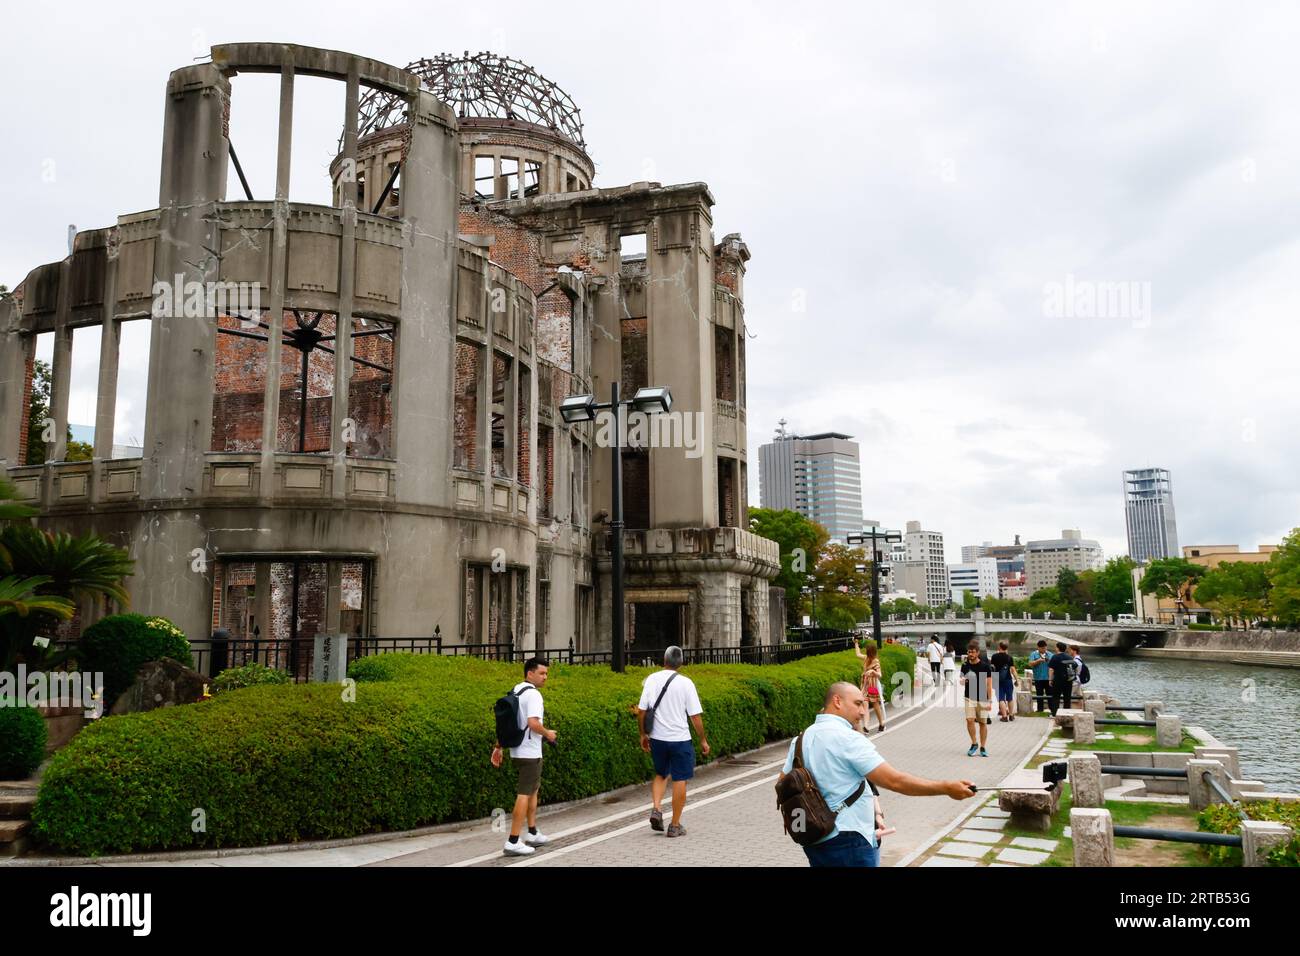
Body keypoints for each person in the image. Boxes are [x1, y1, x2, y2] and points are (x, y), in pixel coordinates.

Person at [779, 681, 976, 867]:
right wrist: (947, 788)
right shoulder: (848, 738)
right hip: (850, 839)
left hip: (815, 838)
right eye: (857, 704)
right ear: (837, 701)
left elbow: (783, 784)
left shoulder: (801, 739)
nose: (863, 711)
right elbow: (895, 781)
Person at [638, 646, 711, 838]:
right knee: (680, 779)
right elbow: (695, 716)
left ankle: (656, 808)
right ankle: (675, 825)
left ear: (664, 660)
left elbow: (641, 711)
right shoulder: (686, 683)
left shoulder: (652, 679)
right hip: (680, 740)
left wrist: (643, 735)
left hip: (658, 738)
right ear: (681, 663)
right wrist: (703, 740)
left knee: (661, 774)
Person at [491, 657, 557, 856]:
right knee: (524, 794)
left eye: (546, 674)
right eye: (542, 673)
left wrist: (498, 746)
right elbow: (533, 723)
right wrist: (548, 734)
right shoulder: (534, 695)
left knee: (533, 791)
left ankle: (533, 832)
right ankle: (512, 841)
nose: (545, 677)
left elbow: (509, 722)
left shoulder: (516, 690)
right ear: (530, 673)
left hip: (517, 750)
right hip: (529, 752)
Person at [960, 640, 993, 756]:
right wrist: (963, 681)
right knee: (969, 720)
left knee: (982, 723)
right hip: (969, 696)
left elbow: (989, 684)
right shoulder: (965, 665)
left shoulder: (985, 666)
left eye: (973, 652)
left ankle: (983, 747)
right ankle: (974, 743)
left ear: (978, 653)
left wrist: (990, 700)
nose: (971, 654)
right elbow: (961, 680)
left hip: (982, 697)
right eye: (969, 652)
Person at [854, 640, 887, 733]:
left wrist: (873, 672)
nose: (866, 653)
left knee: (876, 705)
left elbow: (880, 675)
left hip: (873, 685)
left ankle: (881, 724)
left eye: (868, 651)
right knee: (865, 704)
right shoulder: (866, 658)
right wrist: (856, 643)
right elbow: (858, 654)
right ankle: (866, 727)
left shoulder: (875, 661)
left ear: (871, 652)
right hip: (864, 685)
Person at [990, 641, 1016, 722]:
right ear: (1006, 648)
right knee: (1010, 698)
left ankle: (1004, 716)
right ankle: (1011, 715)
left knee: (1001, 698)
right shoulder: (1009, 657)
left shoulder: (994, 657)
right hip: (1008, 679)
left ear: (999, 647)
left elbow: (992, 668)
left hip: (998, 679)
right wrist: (1017, 679)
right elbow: (1013, 670)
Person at [1047, 642, 1074, 716]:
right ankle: (1067, 713)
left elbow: (1051, 669)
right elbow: (1074, 667)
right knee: (1067, 698)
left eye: (1056, 647)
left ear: (1058, 648)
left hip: (1058, 680)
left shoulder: (1055, 657)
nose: (1055, 648)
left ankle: (1055, 713)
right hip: (1068, 680)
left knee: (1056, 697)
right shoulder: (1069, 657)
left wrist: (1050, 679)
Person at [1028, 639, 1051, 712]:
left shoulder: (1050, 654)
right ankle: (1040, 710)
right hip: (1038, 678)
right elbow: (1030, 664)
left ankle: (1051, 709)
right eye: (1042, 648)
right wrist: (1038, 661)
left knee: (1049, 694)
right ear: (1038, 647)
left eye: (1045, 648)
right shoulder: (1033, 654)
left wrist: (1049, 661)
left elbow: (1054, 665)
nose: (1044, 649)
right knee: (1039, 695)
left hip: (1048, 678)